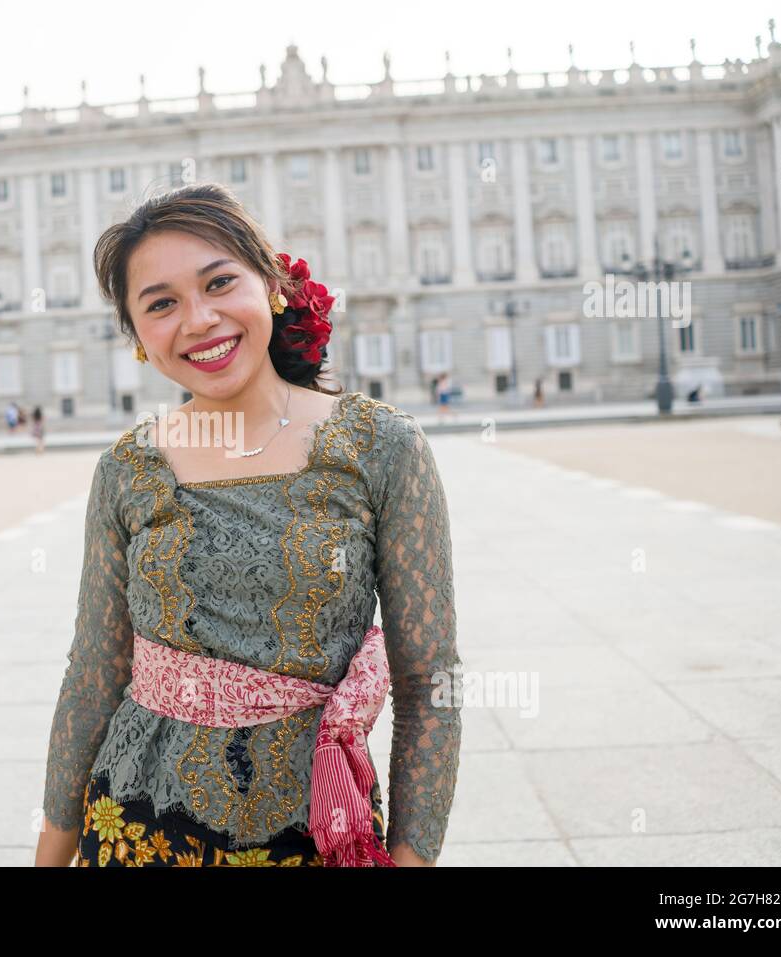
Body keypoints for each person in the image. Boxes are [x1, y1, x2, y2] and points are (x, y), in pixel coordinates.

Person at [35, 182, 461, 868]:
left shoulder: (382, 447)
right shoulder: (127, 469)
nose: (198, 319)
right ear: (139, 337)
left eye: (219, 282)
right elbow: (91, 674)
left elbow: (430, 684)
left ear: (272, 284)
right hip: (130, 832)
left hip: (316, 835)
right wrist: (49, 856)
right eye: (161, 303)